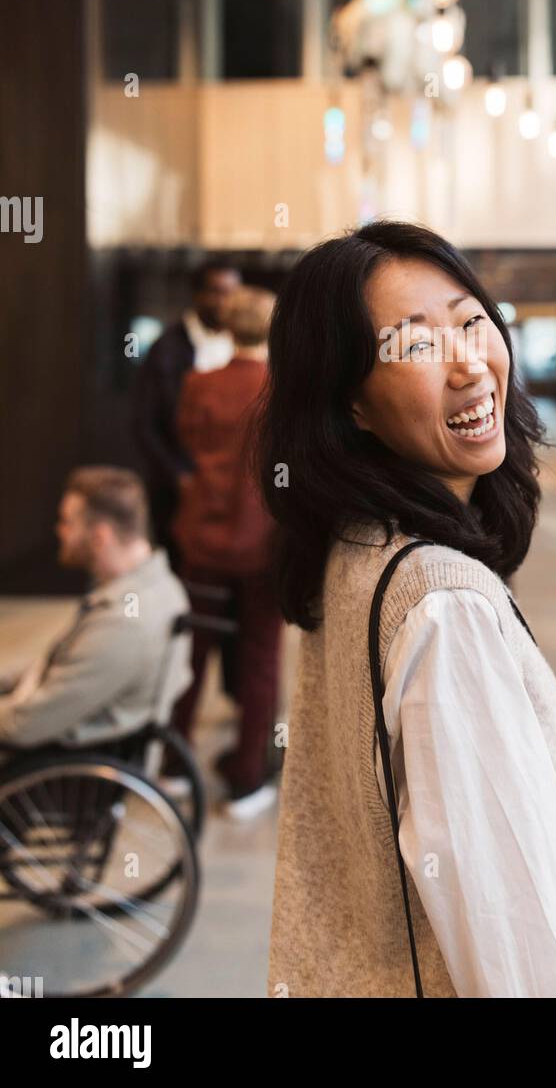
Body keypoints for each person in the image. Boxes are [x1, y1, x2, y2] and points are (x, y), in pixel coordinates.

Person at [260, 220, 556, 999]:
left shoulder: (353, 547)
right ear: (350, 404)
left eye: (471, 321)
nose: (469, 363)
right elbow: (524, 941)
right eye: (416, 345)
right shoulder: (443, 606)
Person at [170, 285, 282, 820]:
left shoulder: (200, 384)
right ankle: (246, 779)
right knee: (260, 659)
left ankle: (172, 766)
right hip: (262, 546)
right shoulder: (281, 391)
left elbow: (189, 443)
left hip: (205, 538)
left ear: (226, 328)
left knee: (192, 652)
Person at [0, 467, 190, 759]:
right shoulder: (161, 584)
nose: (58, 531)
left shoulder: (123, 623)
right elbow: (66, 670)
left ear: (99, 536)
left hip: (60, 770)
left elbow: (23, 725)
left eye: (66, 522)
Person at [132, 260, 241, 556]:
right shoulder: (167, 349)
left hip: (229, 491)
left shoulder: (242, 344)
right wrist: (179, 475)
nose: (224, 302)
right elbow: (145, 425)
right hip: (178, 488)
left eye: (231, 292)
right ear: (197, 295)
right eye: (216, 292)